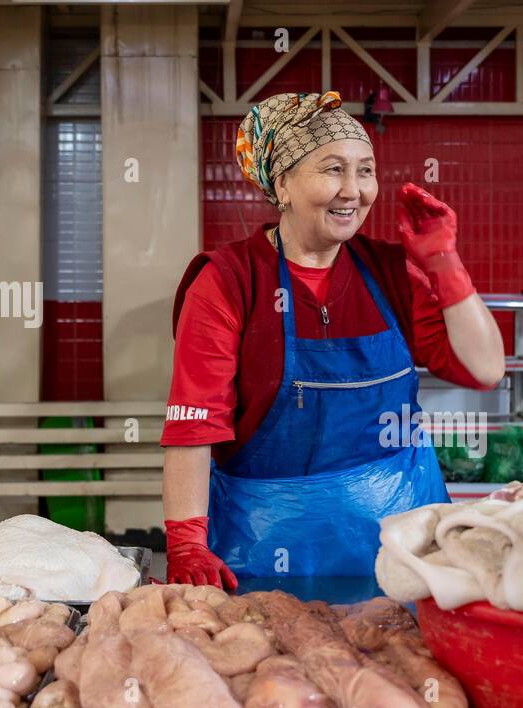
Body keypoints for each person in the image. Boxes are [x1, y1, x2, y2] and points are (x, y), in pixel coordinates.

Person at [161, 91, 504, 586]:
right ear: (282, 184)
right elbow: (195, 425)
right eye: (333, 169)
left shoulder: (392, 273)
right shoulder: (230, 281)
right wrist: (187, 543)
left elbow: (484, 369)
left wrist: (444, 262)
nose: (354, 190)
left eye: (365, 170)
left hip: (401, 554)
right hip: (266, 551)